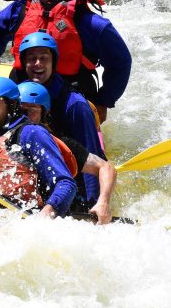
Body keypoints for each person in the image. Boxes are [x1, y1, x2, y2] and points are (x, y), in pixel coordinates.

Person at [0, 0, 131, 124]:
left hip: (71, 91)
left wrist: (104, 100)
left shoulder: (91, 23)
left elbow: (121, 61)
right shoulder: (19, 10)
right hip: (23, 83)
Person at [17, 32, 109, 214]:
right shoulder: (17, 93)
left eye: (44, 58)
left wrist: (95, 205)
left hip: (71, 172)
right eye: (31, 58)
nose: (37, 64)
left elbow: (92, 158)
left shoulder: (75, 106)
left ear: (54, 62)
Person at [0, 77, 76, 218]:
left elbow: (66, 183)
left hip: (32, 218)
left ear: (11, 105)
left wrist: (46, 215)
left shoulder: (31, 133)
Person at [18, 81, 116, 224]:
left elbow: (106, 167)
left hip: (58, 211)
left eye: (32, 110)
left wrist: (103, 202)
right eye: (20, 111)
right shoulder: (5, 139)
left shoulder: (61, 144)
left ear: (43, 114)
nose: (25, 116)